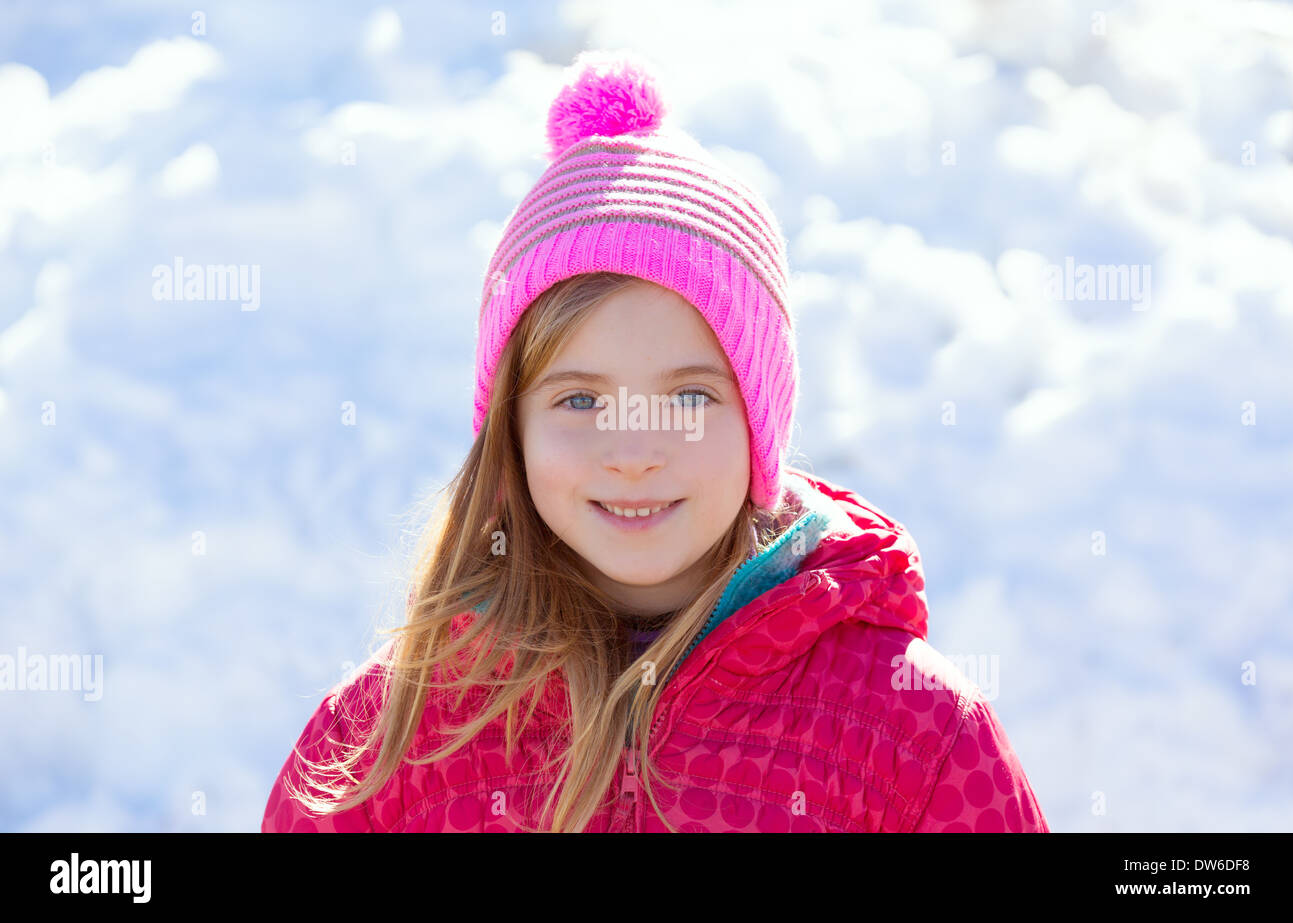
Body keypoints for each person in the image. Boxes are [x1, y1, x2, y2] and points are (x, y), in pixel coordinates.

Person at [261, 49, 1049, 833]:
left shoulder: (910, 732)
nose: (634, 451)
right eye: (579, 398)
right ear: (513, 433)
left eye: (689, 396)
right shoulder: (385, 743)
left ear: (758, 423)